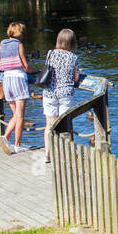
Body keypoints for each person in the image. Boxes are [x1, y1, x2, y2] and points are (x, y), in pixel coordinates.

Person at [42, 28, 81, 163]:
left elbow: (47, 70)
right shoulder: (74, 58)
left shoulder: (50, 54)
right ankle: (65, 154)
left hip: (49, 92)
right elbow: (75, 78)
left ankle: (48, 153)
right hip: (65, 93)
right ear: (72, 42)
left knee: (49, 125)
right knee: (64, 125)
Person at [0, 21, 31, 153]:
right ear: (19, 33)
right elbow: (25, 66)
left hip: (7, 80)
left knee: (15, 114)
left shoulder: (2, 44)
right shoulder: (19, 44)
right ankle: (16, 144)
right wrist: (35, 71)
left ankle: (6, 137)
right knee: (20, 115)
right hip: (18, 79)